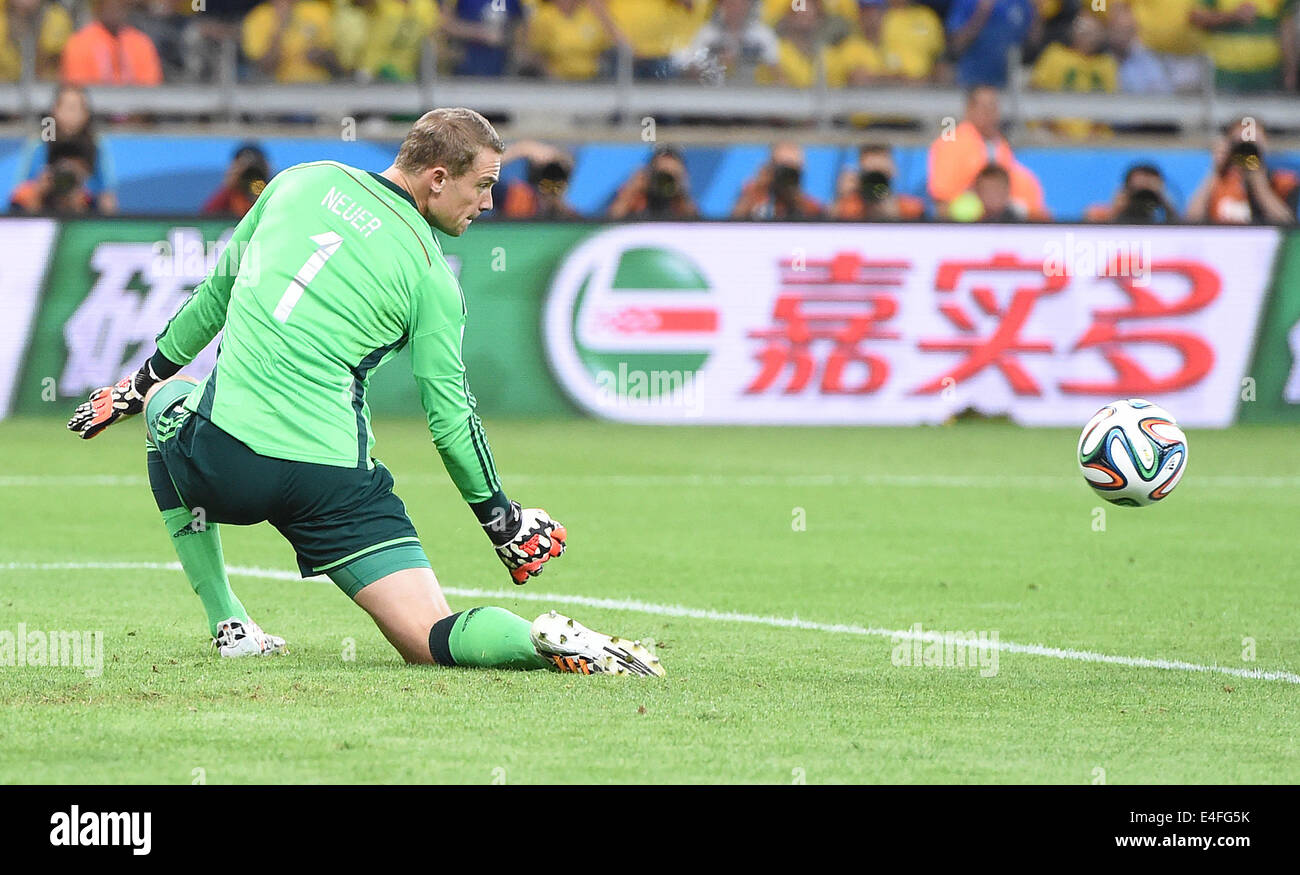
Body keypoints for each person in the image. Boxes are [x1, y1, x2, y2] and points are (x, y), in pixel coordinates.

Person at [65, 108, 664, 678]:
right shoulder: (432, 276)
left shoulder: (300, 182)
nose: (487, 202)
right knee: (431, 637)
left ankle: (230, 624)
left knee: (168, 402)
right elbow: (452, 420)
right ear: (436, 179)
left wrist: (141, 384)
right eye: (481, 185)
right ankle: (536, 641)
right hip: (332, 483)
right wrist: (500, 520)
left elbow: (214, 298)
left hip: (230, 460)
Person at [926, 85, 1048, 218]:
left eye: (993, 107)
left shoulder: (1000, 144)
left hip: (1001, 213)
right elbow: (942, 199)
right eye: (983, 107)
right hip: (965, 217)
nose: (989, 113)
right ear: (969, 110)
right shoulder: (950, 143)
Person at [13, 85, 118, 215]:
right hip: (44, 207)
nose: (72, 113)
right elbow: (21, 190)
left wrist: (80, 186)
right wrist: (41, 187)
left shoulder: (96, 144)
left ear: (86, 113)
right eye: (67, 107)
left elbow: (107, 192)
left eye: (77, 108)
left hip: (85, 209)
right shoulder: (41, 143)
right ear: (55, 110)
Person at [1186, 117, 1297, 223]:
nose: (1246, 152)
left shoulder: (1281, 182)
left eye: (1252, 143)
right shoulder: (1219, 181)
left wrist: (1258, 182)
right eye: (1240, 144)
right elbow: (1192, 219)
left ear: (1264, 144)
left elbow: (1287, 224)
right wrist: (1215, 170)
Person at [1190, 0, 1298, 92]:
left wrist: (1290, 71)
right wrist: (1232, 16)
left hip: (1268, 75)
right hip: (1225, 76)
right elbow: (1197, 18)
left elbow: (1286, 29)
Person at [674, 0, 780, 85]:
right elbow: (690, 71)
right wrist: (715, 63)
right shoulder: (707, 34)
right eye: (730, 3)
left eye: (741, 3)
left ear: (749, 5)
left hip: (754, 96)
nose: (735, 9)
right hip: (714, 97)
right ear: (720, 6)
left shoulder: (762, 35)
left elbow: (778, 71)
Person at [60, 0, 163, 86]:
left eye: (120, 4)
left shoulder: (141, 43)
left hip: (137, 108)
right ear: (99, 6)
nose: (116, 8)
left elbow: (151, 88)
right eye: (110, 3)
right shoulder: (79, 43)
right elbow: (77, 90)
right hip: (93, 109)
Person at [242, 0, 343, 83]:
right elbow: (264, 68)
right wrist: (280, 27)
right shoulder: (257, 18)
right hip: (276, 91)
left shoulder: (317, 10)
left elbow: (338, 64)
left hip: (320, 88)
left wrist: (321, 55)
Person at [946, 0, 1035, 87]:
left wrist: (1036, 13)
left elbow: (1033, 43)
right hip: (969, 82)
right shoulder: (966, 2)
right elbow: (956, 45)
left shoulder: (1022, 3)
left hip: (1006, 85)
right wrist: (980, 14)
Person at [732, 141, 825, 219]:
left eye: (791, 170)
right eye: (782, 169)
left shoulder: (808, 206)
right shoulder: (756, 197)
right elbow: (735, 222)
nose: (786, 176)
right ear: (771, 168)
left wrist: (794, 197)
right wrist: (758, 185)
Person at [830, 144, 926, 219]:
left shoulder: (911, 209)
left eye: (879, 176)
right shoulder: (848, 208)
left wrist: (892, 211)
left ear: (893, 171)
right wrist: (840, 197)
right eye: (871, 176)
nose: (875, 185)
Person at [9, 138, 98, 215]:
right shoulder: (27, 193)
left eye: (73, 171)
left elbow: (91, 227)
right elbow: (16, 224)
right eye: (63, 170)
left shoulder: (86, 197)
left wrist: (77, 204)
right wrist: (38, 196)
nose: (66, 177)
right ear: (51, 168)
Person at [607, 145, 700, 218]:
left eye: (670, 176)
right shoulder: (638, 198)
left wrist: (683, 190)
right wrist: (632, 189)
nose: (665, 181)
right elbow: (611, 221)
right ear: (650, 173)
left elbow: (697, 227)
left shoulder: (679, 203)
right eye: (661, 174)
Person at [499, 140, 581, 218]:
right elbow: (487, 171)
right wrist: (521, 149)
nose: (551, 190)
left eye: (557, 185)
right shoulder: (517, 201)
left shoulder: (572, 217)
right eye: (546, 184)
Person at [0, 0, 73, 81]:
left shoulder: (57, 18)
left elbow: (55, 57)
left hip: (48, 86)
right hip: (5, 85)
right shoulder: (2, 21)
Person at [1085, 163, 1180, 222]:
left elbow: (1180, 228)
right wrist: (1116, 209)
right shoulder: (1100, 214)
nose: (1143, 196)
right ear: (1125, 189)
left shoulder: (1162, 215)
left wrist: (1164, 200)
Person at [203, 142, 273, 218]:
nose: (250, 176)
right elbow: (206, 217)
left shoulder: (272, 193)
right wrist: (229, 185)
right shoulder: (230, 195)